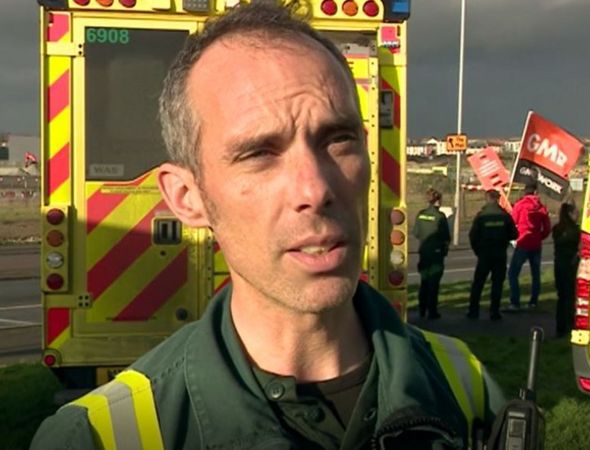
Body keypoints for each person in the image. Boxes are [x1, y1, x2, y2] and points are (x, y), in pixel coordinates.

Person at [31, 2, 504, 448]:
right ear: (187, 198)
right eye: (259, 153)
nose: (315, 188)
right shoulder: (96, 438)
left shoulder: (465, 387)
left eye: (338, 139)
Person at [466, 189, 517, 321]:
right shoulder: (504, 215)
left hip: (484, 254)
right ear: (498, 199)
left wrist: (478, 251)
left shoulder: (481, 216)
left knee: (478, 283)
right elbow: (514, 234)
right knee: (497, 284)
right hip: (499, 254)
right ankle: (494, 312)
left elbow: (473, 236)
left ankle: (473, 311)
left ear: (487, 198)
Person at [507, 183, 551, 310]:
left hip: (523, 241)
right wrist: (540, 236)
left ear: (524, 192)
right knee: (535, 274)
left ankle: (515, 301)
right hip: (536, 243)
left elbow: (512, 222)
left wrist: (514, 236)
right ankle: (533, 301)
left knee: (513, 273)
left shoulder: (520, 205)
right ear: (535, 192)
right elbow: (547, 228)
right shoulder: (541, 207)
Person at [412, 187, 450, 320]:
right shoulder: (440, 216)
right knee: (434, 283)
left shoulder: (421, 214)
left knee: (424, 281)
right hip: (436, 253)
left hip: (424, 251)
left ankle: (422, 309)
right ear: (438, 201)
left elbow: (416, 233)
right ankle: (432, 311)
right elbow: (445, 236)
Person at [553, 203, 580, 337]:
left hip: (559, 265)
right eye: (576, 213)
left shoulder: (557, 229)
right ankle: (570, 324)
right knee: (571, 296)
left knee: (561, 297)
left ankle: (560, 326)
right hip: (571, 265)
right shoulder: (576, 231)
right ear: (570, 214)